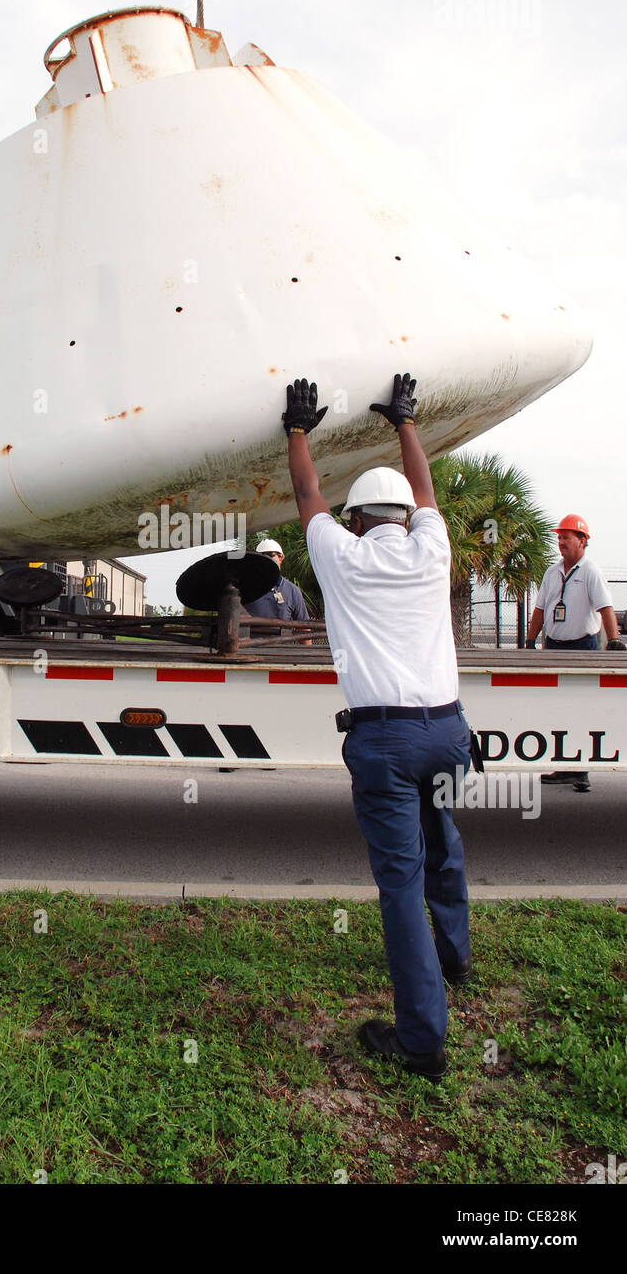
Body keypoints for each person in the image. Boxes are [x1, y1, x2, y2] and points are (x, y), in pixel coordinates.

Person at [284, 372, 471, 1083]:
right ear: (403, 516)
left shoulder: (343, 556)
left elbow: (308, 499)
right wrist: (404, 422)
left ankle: (422, 1043)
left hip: (385, 741)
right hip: (448, 731)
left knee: (400, 884)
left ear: (357, 519)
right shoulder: (433, 549)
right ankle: (456, 957)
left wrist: (297, 430)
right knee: (443, 841)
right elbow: (425, 494)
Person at [525, 514, 626, 791]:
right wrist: (530, 640)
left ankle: (580, 771)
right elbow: (540, 609)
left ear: (582, 541)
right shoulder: (552, 572)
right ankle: (563, 767)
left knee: (580, 707)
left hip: (582, 647)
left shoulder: (590, 571)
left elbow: (606, 608)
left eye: (567, 537)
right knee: (556, 708)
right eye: (559, 537)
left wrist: (614, 640)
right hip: (554, 646)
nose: (561, 542)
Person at [243, 538, 310, 624]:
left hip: (283, 637)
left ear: (280, 558)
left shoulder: (292, 591)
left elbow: (304, 629)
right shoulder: (245, 589)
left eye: (271, 554)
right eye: (262, 555)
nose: (266, 558)